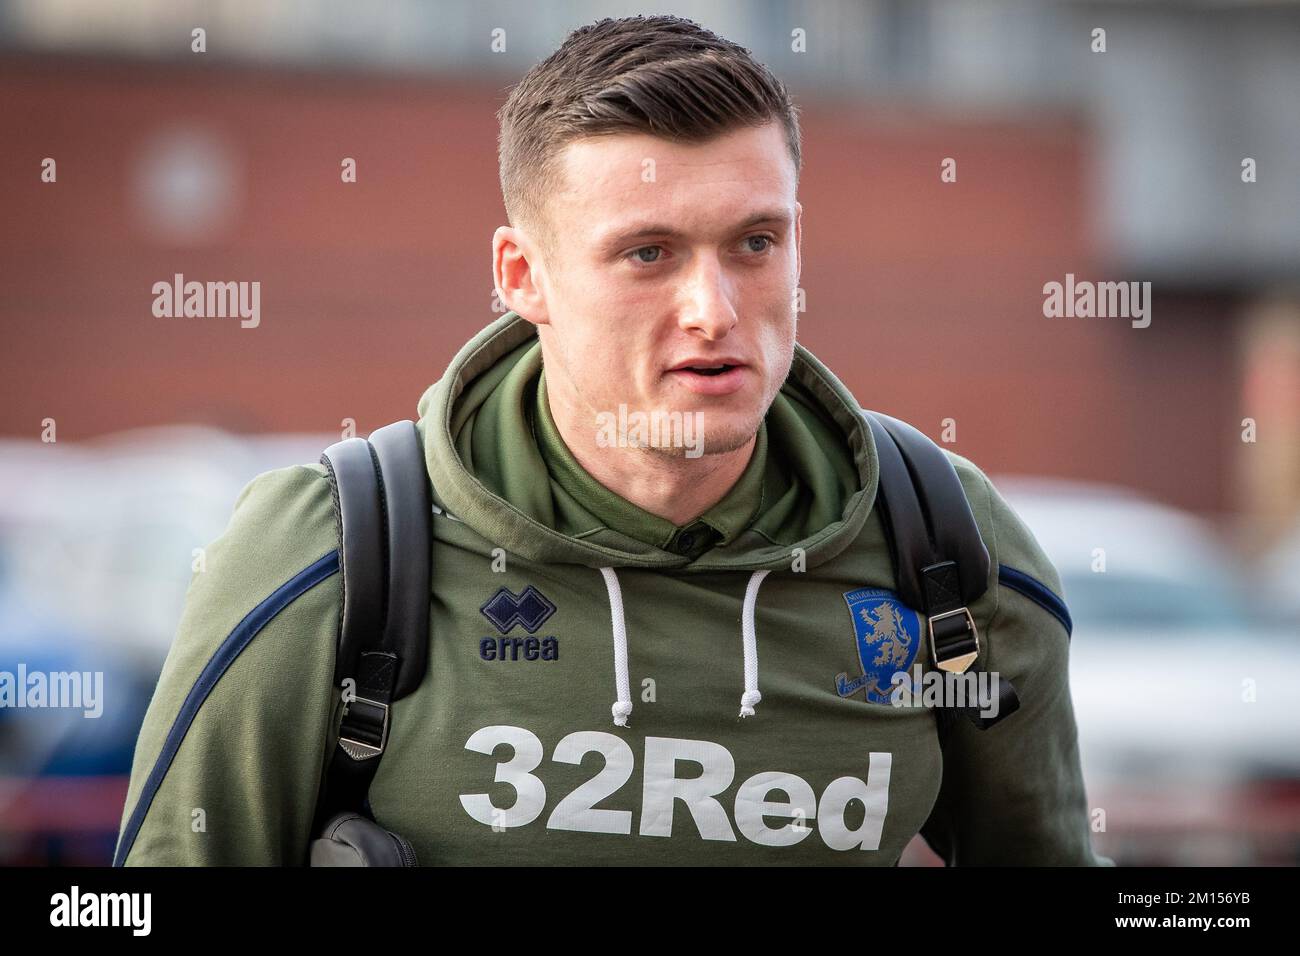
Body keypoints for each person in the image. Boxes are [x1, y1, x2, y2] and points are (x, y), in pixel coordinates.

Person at [115, 14, 1109, 866]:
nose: (713, 310)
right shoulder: (330, 554)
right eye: (648, 252)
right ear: (522, 275)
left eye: (754, 243)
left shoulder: (948, 549)